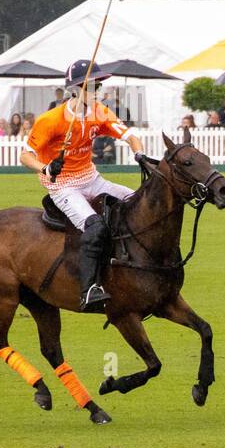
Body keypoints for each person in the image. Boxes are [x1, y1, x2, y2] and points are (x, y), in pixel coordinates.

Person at [19, 60, 146, 310]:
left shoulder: (99, 112)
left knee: (136, 202)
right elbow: (25, 156)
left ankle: (130, 264)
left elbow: (130, 136)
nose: (97, 90)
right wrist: (45, 168)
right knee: (95, 226)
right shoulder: (51, 120)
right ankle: (89, 289)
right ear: (76, 89)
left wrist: (139, 154)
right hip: (63, 185)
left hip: (92, 179)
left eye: (97, 86)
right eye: (92, 86)